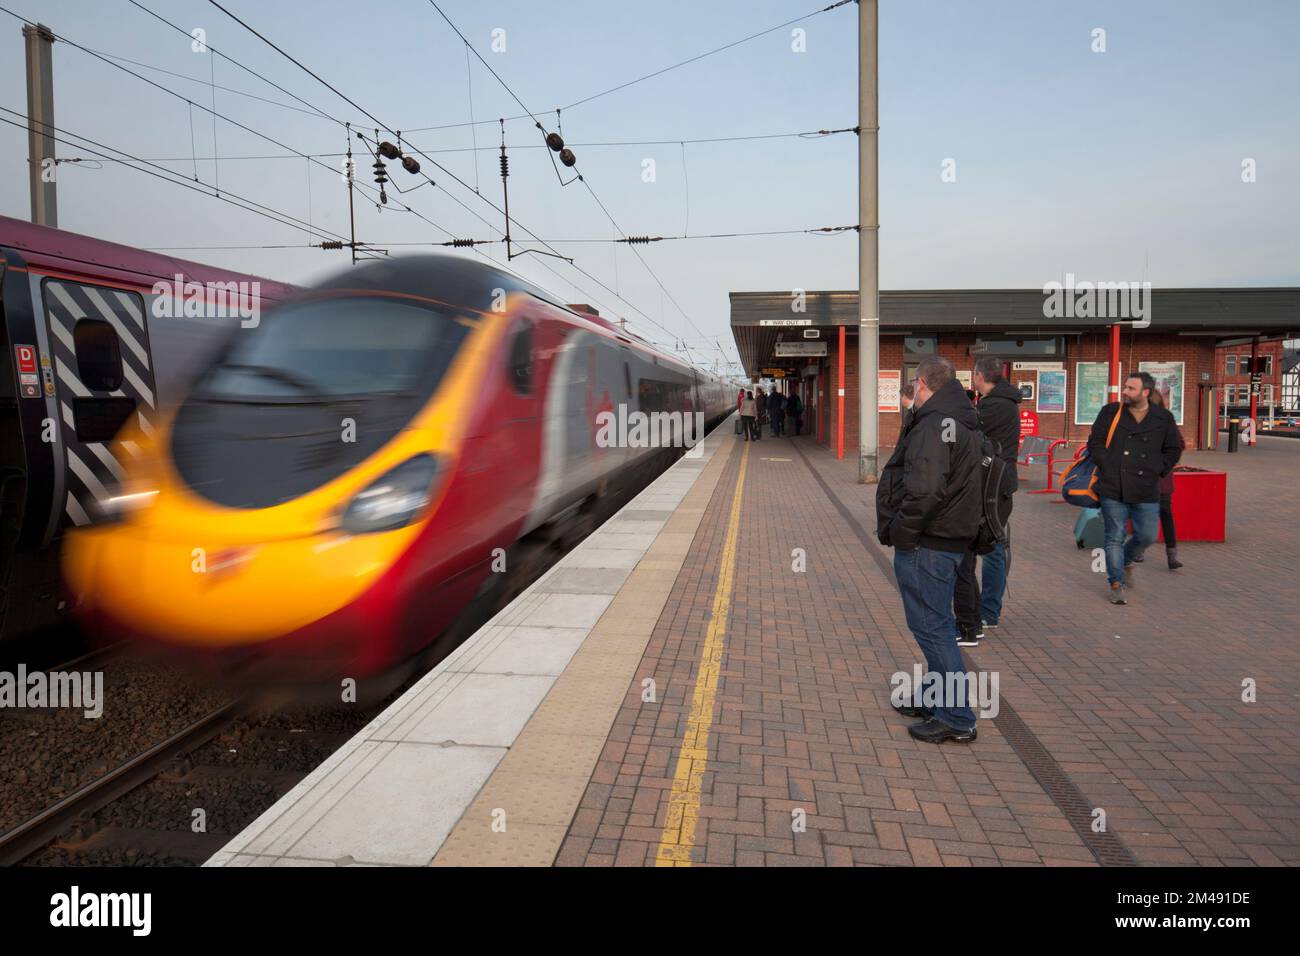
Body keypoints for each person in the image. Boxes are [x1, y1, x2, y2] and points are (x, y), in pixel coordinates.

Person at [876, 356, 982, 744]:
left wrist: (902, 533)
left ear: (920, 384)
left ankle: (956, 717)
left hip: (929, 544)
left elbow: (924, 490)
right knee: (937, 627)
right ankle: (935, 698)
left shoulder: (935, 424)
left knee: (934, 630)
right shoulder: (961, 417)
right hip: (947, 540)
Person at [1088, 371, 1183, 605]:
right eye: (1125, 387)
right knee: (1114, 537)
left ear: (1146, 392)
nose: (1125, 392)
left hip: (1146, 486)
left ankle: (1125, 561)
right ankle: (1116, 583)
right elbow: (1095, 441)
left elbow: (1173, 448)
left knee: (1147, 535)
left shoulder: (1162, 417)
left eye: (1131, 388)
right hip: (1113, 484)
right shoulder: (1111, 412)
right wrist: (1107, 463)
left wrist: (1158, 468)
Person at [955, 356, 1023, 642]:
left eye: (974, 375)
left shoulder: (994, 405)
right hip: (1000, 481)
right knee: (994, 542)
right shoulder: (1004, 401)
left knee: (992, 545)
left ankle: (988, 611)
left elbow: (972, 434)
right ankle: (986, 609)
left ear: (981, 375)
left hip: (993, 484)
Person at [1130, 387, 1185, 570]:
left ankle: (1141, 551)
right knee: (1164, 515)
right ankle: (1171, 556)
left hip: (1151, 478)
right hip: (1159, 478)